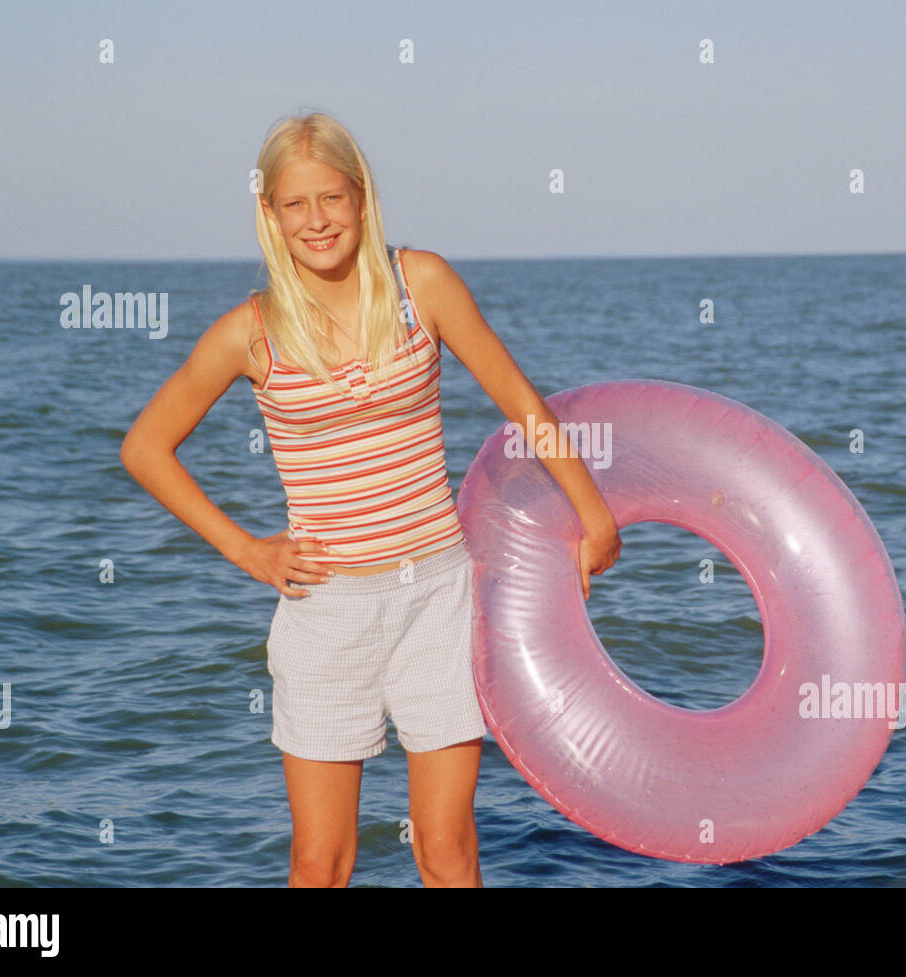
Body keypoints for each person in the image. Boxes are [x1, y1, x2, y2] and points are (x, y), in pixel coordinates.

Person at [119, 112, 622, 887]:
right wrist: (248, 550)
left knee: (445, 849)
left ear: (362, 196)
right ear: (269, 214)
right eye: (295, 204)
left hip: (439, 602)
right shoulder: (251, 332)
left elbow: (522, 403)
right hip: (327, 613)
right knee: (320, 861)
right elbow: (146, 446)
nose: (317, 220)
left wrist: (595, 517)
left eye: (332, 197)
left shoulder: (422, 284)